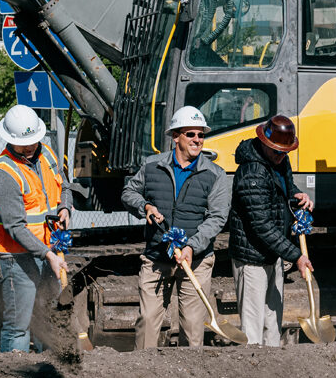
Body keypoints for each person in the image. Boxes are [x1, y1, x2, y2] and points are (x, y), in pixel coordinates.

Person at [121, 106, 230, 348]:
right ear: (175, 137)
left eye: (201, 135)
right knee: (148, 321)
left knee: (192, 327)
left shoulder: (215, 174)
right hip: (156, 257)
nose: (197, 140)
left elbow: (218, 217)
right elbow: (129, 192)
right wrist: (145, 206)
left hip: (197, 260)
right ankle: (142, 374)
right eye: (191, 134)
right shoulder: (152, 166)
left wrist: (192, 246)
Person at [0, 105, 72, 352]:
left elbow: (64, 187)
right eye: (24, 143)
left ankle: (48, 375)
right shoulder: (3, 174)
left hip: (47, 251)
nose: (31, 146)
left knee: (47, 317)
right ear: (10, 140)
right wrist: (49, 255)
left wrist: (65, 208)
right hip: (17, 258)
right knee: (18, 325)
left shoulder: (47, 155)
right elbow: (15, 227)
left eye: (34, 140)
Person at [228, 115, 314, 347]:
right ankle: (251, 374)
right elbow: (261, 225)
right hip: (252, 256)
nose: (281, 156)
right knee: (253, 328)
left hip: (272, 254)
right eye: (276, 151)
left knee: (272, 322)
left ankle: (274, 372)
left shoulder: (279, 161)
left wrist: (297, 195)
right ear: (264, 143)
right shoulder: (252, 173)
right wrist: (296, 255)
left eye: (285, 152)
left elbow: (285, 187)